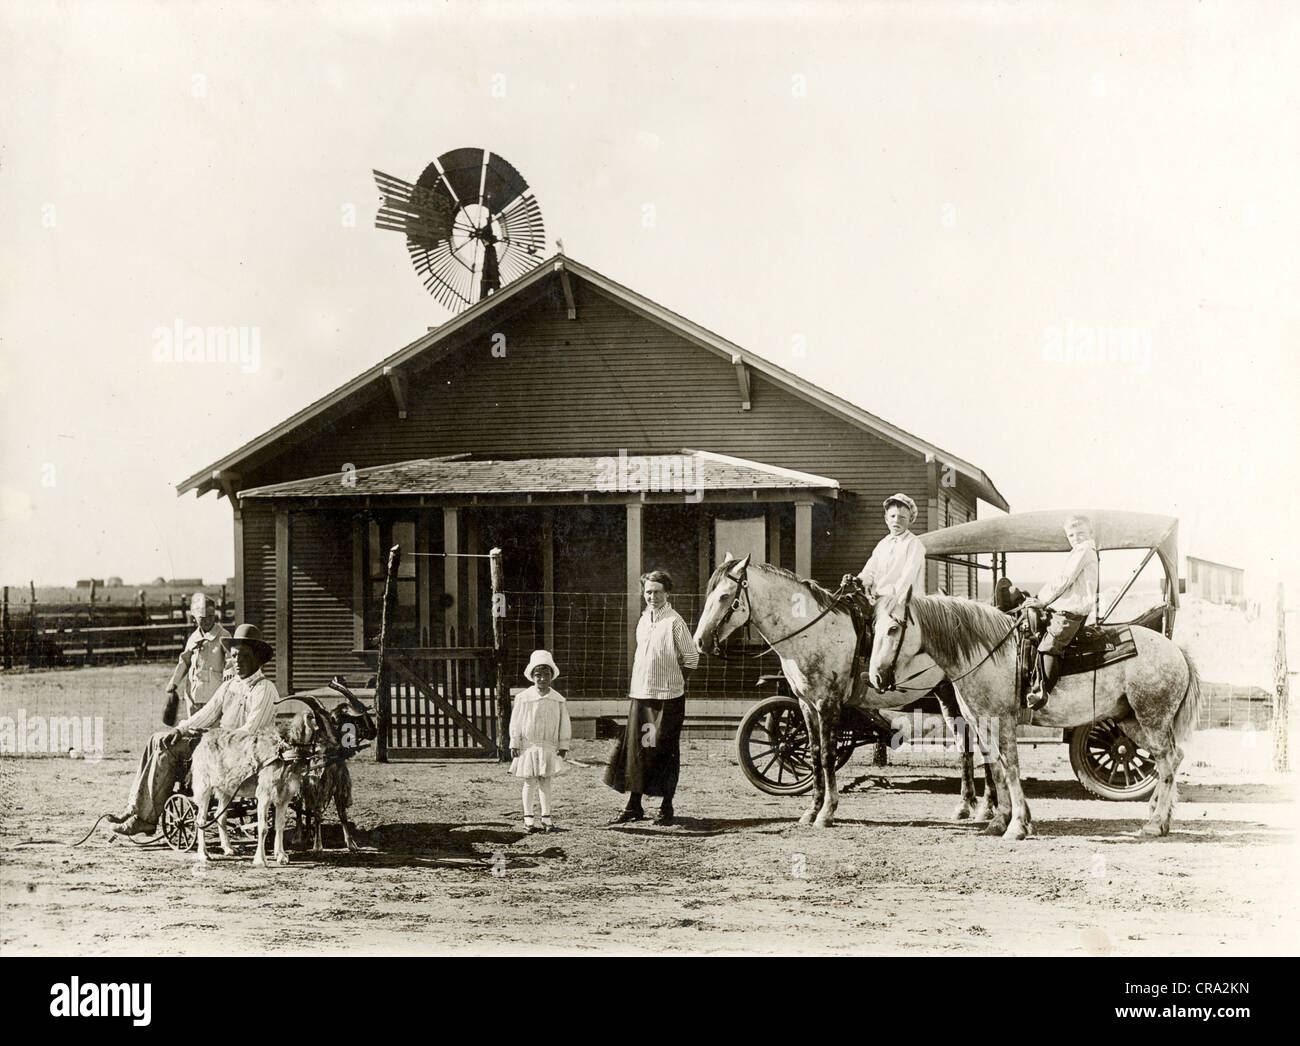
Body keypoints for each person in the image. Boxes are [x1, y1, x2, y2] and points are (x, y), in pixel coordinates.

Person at [107, 624, 279, 836]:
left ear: (258, 658)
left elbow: (250, 732)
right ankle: (134, 807)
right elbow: (207, 713)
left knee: (167, 749)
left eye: (243, 656)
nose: (237, 661)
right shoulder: (230, 685)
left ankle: (145, 819)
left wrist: (212, 738)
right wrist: (181, 730)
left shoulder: (264, 689)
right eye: (234, 656)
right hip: (220, 747)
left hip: (241, 756)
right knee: (157, 738)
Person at [604, 569, 699, 826]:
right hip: (641, 695)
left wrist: (674, 682)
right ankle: (634, 805)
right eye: (648, 592)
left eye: (657, 592)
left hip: (668, 699)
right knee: (637, 750)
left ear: (667, 593)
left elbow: (692, 658)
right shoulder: (644, 619)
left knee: (664, 751)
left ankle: (666, 807)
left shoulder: (675, 622)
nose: (652, 597)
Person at [1023, 515, 1099, 710]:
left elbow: (1065, 579)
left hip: (1071, 611)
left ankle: (1041, 693)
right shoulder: (1080, 551)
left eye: (1080, 533)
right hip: (1065, 607)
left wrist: (1042, 600)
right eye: (1071, 535)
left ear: (1090, 533)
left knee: (1050, 645)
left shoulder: (1084, 550)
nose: (1076, 538)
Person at [508, 650, 572, 834]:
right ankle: (528, 817)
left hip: (548, 746)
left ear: (552, 676)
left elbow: (564, 724)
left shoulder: (558, 700)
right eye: (538, 675)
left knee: (545, 781)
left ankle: (546, 817)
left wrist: (563, 745)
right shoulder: (523, 698)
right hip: (529, 745)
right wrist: (515, 741)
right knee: (529, 781)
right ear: (531, 676)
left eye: (546, 675)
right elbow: (516, 721)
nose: (542, 679)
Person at [164, 592, 232, 722]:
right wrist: (174, 682)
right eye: (202, 617)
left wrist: (229, 676)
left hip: (214, 693)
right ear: (194, 617)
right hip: (194, 693)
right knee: (194, 725)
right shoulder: (193, 638)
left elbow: (231, 660)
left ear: (215, 615)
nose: (207, 620)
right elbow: (184, 662)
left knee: (213, 725)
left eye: (210, 616)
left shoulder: (223, 635)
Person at [856, 493, 926, 599]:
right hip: (879, 599)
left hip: (904, 601)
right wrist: (859, 579)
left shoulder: (913, 544)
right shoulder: (883, 544)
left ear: (910, 520)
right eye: (892, 516)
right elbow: (870, 570)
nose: (896, 520)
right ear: (886, 519)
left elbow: (907, 578)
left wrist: (889, 596)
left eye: (902, 517)